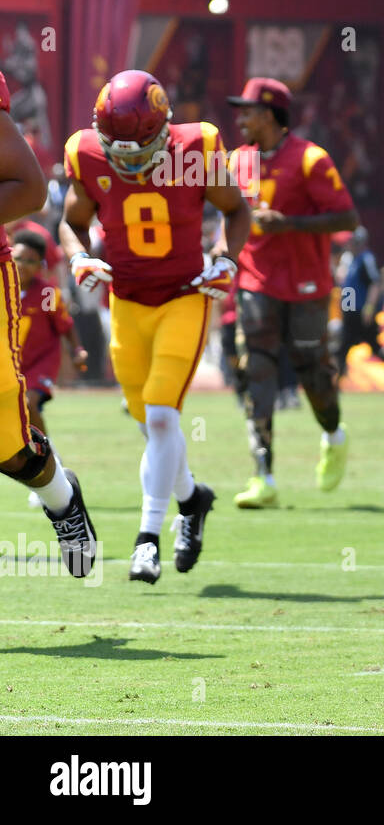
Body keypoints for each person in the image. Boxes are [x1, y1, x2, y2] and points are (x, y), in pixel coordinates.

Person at [61, 69, 249, 582]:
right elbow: (72, 222)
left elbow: (236, 210)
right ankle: (192, 498)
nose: (128, 160)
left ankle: (147, 540)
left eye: (139, 147)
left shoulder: (198, 147)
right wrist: (78, 256)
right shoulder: (87, 152)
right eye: (116, 148)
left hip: (185, 295)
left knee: (163, 419)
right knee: (149, 424)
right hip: (127, 300)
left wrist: (225, 258)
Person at [225, 78, 358, 509]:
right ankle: (263, 476)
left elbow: (347, 219)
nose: (240, 118)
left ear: (269, 114)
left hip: (306, 286)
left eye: (247, 111)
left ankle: (334, 436)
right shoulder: (234, 162)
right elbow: (227, 217)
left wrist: (290, 223)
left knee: (312, 373)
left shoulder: (311, 159)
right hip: (255, 283)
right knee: (255, 372)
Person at [0, 71, 98, 576]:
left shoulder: (44, 290)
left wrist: (77, 352)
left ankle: (62, 500)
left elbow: (30, 188)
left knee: (7, 442)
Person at [12, 230, 86, 439]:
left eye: (30, 261)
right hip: (12, 364)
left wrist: (77, 351)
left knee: (28, 403)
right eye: (18, 258)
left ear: (40, 265)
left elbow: (64, 325)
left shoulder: (46, 293)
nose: (23, 264)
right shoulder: (4, 290)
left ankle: (46, 451)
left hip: (42, 362)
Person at [335, 226, 384, 381]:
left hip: (362, 312)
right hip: (350, 311)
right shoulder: (349, 259)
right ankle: (337, 381)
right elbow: (346, 285)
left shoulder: (366, 258)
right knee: (343, 347)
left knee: (372, 347)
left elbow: (375, 283)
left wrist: (369, 308)